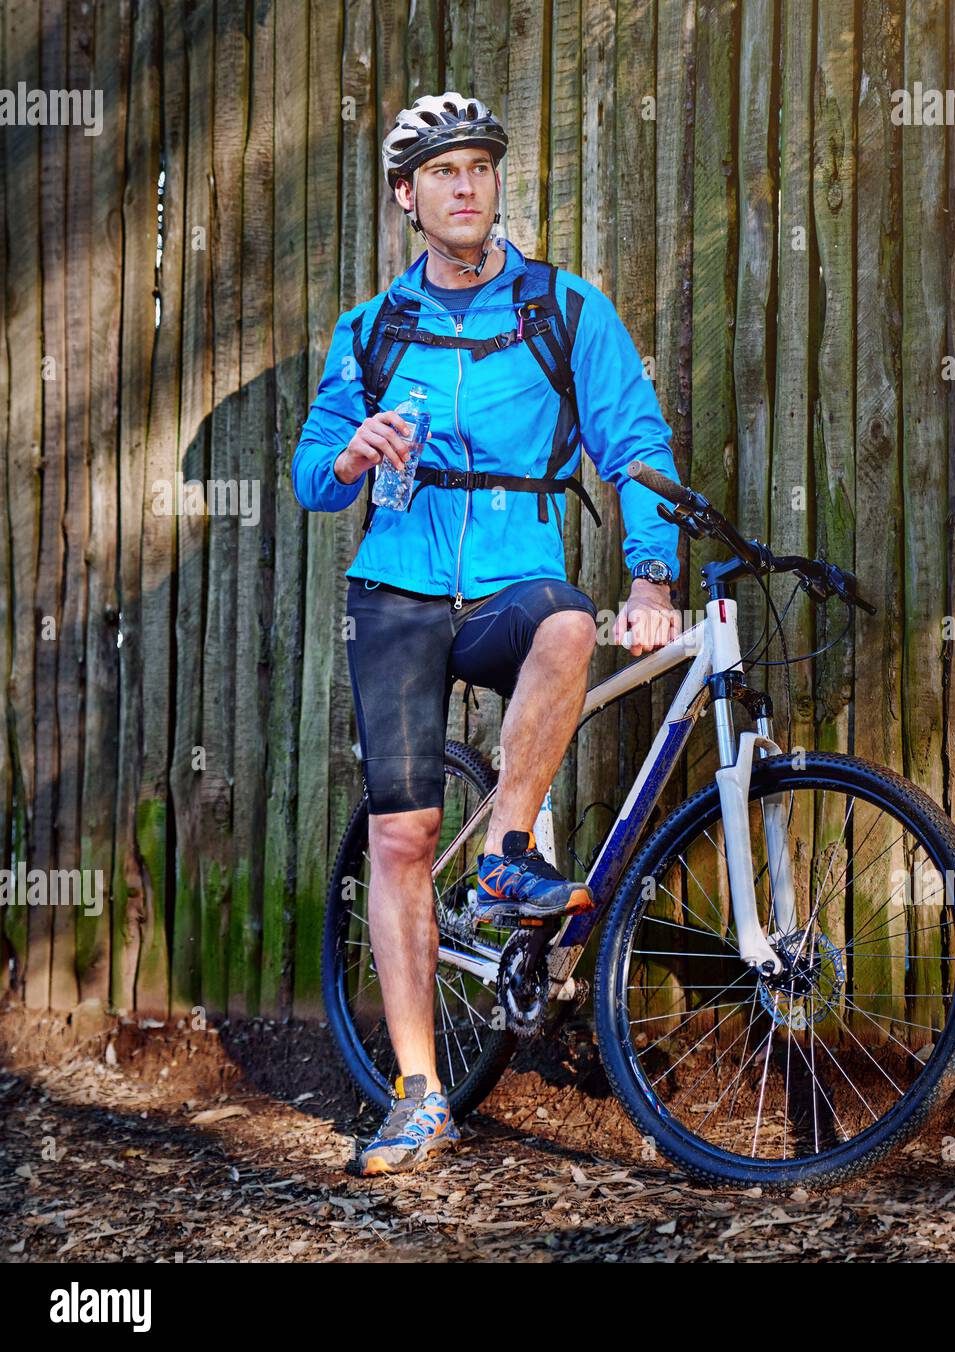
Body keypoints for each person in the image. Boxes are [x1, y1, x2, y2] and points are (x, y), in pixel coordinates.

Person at [292, 92, 683, 1175]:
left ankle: (510, 853)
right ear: (407, 199)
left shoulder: (564, 309)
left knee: (566, 619)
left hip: (513, 576)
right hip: (399, 589)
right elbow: (311, 475)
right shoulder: (370, 330)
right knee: (402, 837)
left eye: (480, 167)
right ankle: (419, 1090)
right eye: (442, 172)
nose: (466, 186)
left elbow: (635, 440)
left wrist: (650, 573)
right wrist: (350, 455)